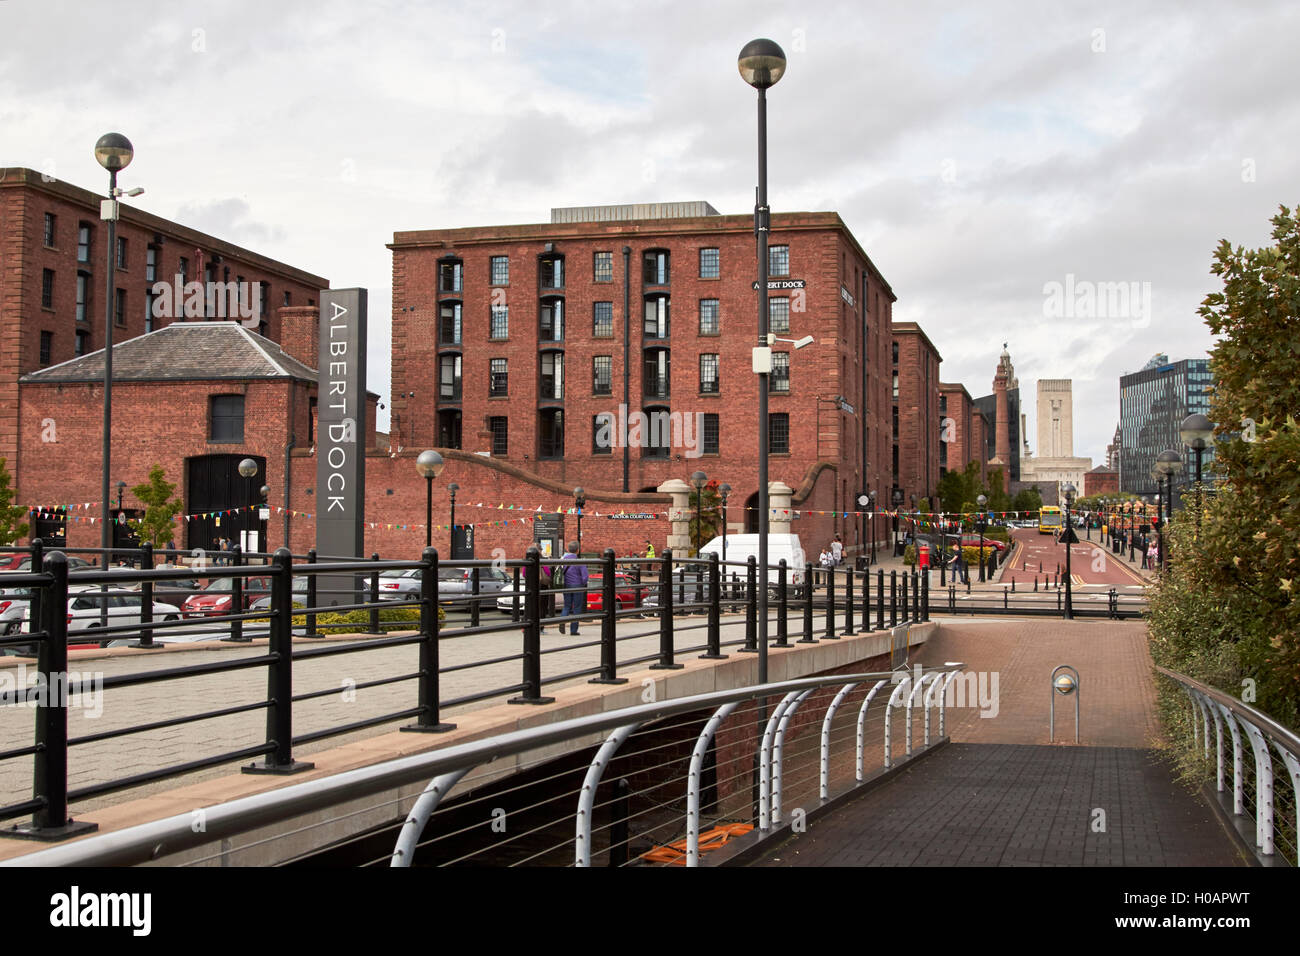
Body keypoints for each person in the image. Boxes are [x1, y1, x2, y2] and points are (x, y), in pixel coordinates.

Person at [559, 540, 589, 635]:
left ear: (568, 549)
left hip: (566, 585)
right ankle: (573, 630)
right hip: (577, 586)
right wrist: (583, 584)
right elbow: (585, 576)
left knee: (567, 606)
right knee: (576, 608)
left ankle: (562, 621)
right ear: (578, 550)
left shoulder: (563, 560)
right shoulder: (579, 561)